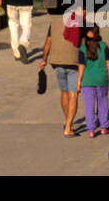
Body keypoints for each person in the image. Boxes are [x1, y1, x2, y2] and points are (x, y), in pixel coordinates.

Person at [36, 8, 85, 137]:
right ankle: (68, 127)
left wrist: (44, 59)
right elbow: (85, 45)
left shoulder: (54, 22)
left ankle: (68, 121)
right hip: (73, 62)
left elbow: (48, 41)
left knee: (64, 92)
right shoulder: (80, 22)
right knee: (73, 95)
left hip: (56, 61)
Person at [76, 25, 109, 137]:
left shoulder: (82, 48)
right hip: (102, 79)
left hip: (87, 81)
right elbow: (108, 63)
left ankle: (91, 130)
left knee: (89, 105)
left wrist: (79, 81)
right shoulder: (103, 46)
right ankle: (104, 127)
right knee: (102, 103)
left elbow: (81, 66)